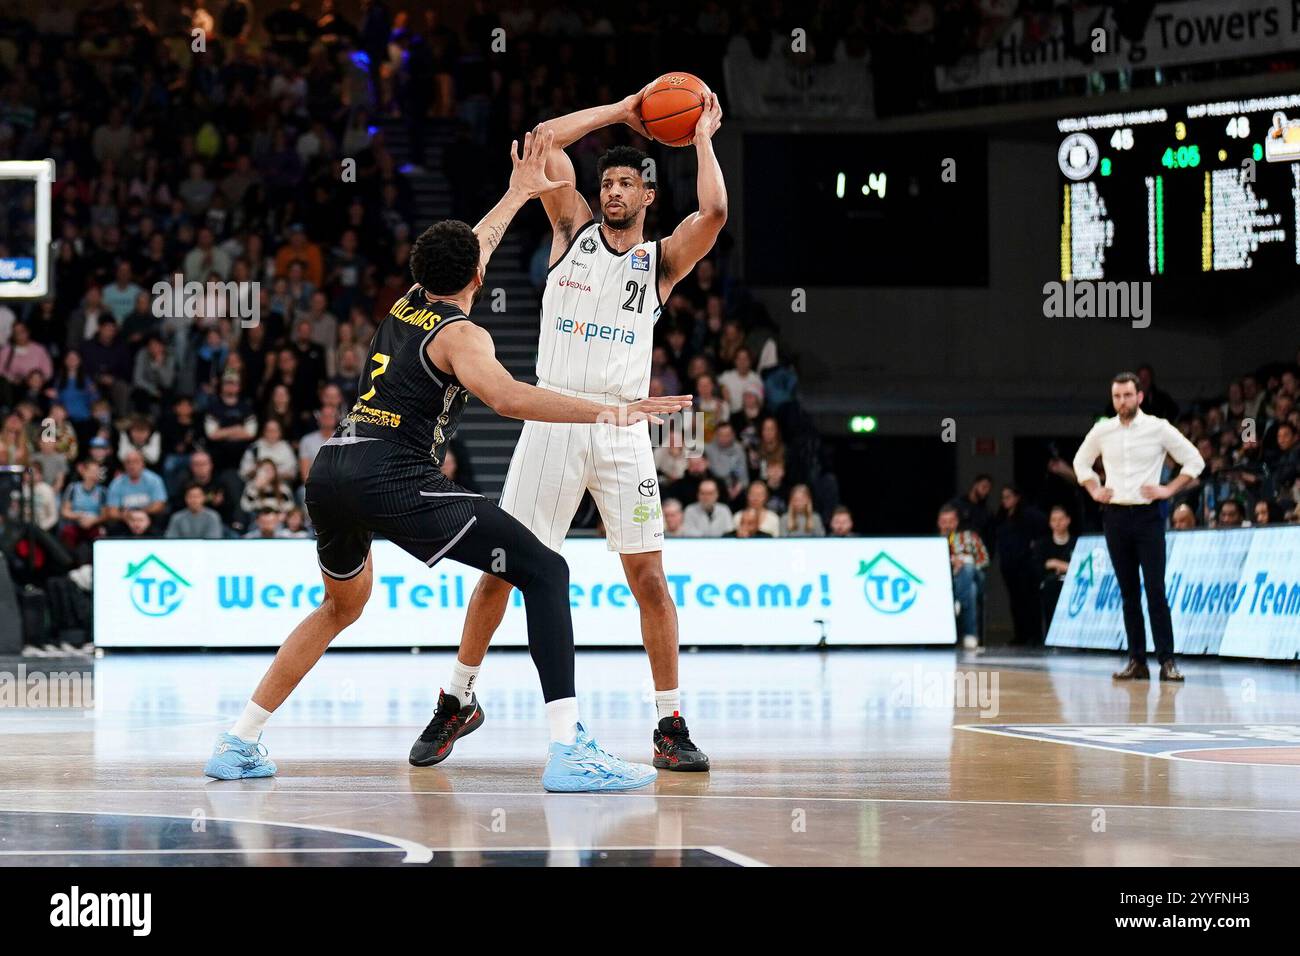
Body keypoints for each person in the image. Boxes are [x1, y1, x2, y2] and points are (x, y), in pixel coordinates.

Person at [205, 130, 687, 792]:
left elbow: (468, 246)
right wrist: (612, 411)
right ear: (480, 278)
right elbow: (513, 399)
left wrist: (518, 193)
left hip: (332, 468)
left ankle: (238, 742)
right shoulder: (464, 335)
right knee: (545, 571)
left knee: (339, 608)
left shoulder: (406, 304)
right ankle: (567, 749)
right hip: (391, 475)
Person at [433, 87, 727, 775]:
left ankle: (669, 722)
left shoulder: (663, 263)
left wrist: (703, 136)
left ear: (649, 195)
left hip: (623, 428)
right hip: (551, 419)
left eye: (628, 182)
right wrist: (625, 109)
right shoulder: (571, 231)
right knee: (500, 572)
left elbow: (713, 211)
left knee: (649, 579)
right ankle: (457, 698)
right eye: (609, 182)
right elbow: (542, 140)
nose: (615, 191)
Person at [1073, 371, 1205, 681]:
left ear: (1140, 396)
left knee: (1156, 590)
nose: (1122, 401)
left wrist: (1169, 489)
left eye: (1128, 395)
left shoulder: (1158, 428)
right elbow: (1081, 462)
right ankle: (1137, 660)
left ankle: (1167, 661)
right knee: (1128, 592)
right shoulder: (1102, 430)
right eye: (1117, 396)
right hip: (1116, 515)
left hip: (1148, 516)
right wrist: (1094, 489)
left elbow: (1195, 460)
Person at [995, 484, 1048, 645]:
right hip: (1009, 566)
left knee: (1030, 601)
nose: (1005, 500)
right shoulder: (1002, 517)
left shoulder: (1028, 514)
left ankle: (1035, 636)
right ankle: (1020, 635)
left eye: (1008, 496)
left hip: (1025, 566)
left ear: (1017, 497)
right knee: (1015, 602)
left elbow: (1044, 529)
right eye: (1003, 497)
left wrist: (1035, 548)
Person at [938, 504, 988, 649]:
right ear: (939, 523)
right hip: (948, 580)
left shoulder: (970, 536)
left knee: (967, 566)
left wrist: (965, 561)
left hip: (974, 574)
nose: (948, 525)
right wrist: (951, 562)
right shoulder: (934, 542)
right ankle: (970, 635)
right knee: (970, 589)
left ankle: (958, 601)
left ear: (956, 522)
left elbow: (984, 559)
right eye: (944, 521)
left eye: (951, 521)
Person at [1033, 506, 1076, 637]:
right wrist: (1052, 564)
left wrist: (1056, 563)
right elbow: (1037, 566)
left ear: (1068, 520)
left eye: (1061, 519)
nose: (1057, 523)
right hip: (1052, 583)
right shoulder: (1042, 544)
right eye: (1053, 520)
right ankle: (1054, 635)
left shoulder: (1077, 542)